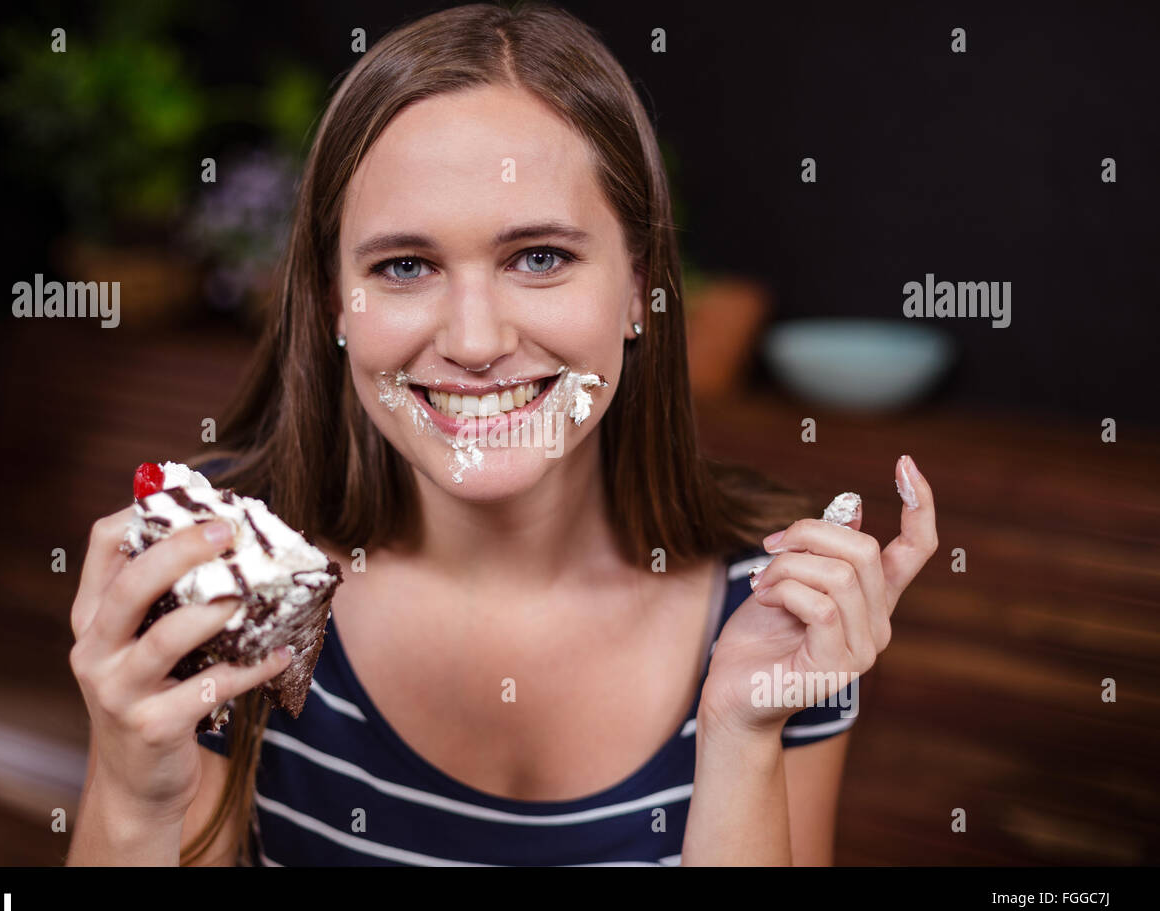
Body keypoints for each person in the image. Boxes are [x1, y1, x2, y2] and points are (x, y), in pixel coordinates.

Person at [66, 2, 937, 866]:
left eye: (540, 257)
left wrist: (741, 734)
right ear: (335, 300)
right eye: (404, 267)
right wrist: (134, 791)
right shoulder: (224, 573)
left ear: (639, 287)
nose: (475, 342)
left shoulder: (776, 605)